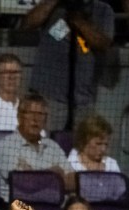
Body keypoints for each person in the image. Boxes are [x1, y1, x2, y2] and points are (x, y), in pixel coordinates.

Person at [23, 0, 115, 132]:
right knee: (47, 147)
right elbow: (28, 23)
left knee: (82, 148)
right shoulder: (55, 7)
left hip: (82, 100)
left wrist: (78, 21)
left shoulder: (103, 10)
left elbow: (103, 43)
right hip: (48, 98)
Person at [0, 92, 74, 202]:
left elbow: (73, 182)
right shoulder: (6, 146)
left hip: (53, 206)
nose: (35, 119)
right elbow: (25, 184)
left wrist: (35, 175)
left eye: (40, 114)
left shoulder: (53, 146)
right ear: (19, 116)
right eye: (30, 113)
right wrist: (54, 174)